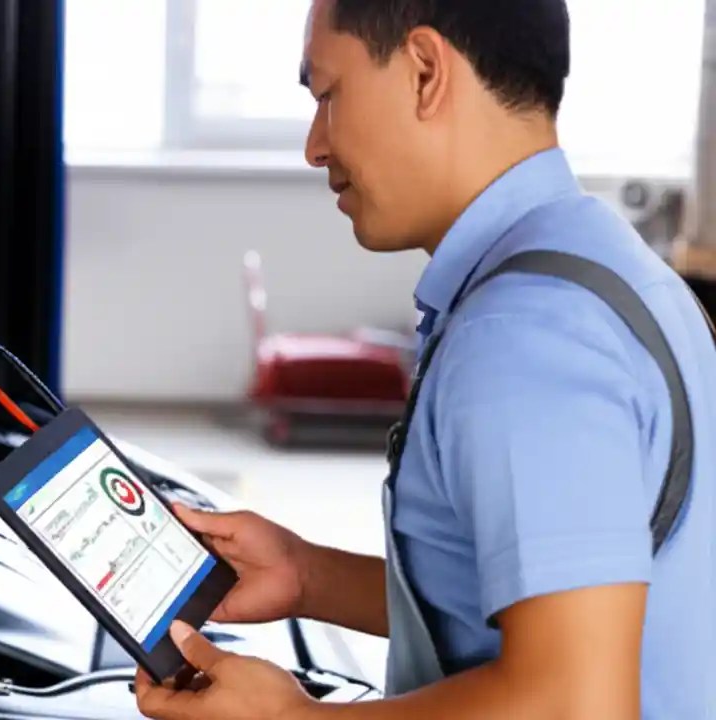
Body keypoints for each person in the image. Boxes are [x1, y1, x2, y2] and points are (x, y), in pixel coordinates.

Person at [134, 1, 716, 718]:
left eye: (327, 95)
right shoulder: (613, 268)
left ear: (424, 71)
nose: (315, 146)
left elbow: (575, 704)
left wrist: (292, 718)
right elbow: (563, 593)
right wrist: (306, 573)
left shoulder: (523, 337)